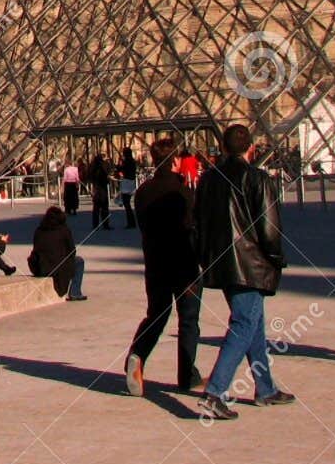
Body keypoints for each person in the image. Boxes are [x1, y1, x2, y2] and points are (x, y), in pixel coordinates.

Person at [195, 124, 294, 419]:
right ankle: (215, 392)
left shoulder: (208, 180)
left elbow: (198, 222)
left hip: (222, 262)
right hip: (250, 263)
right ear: (251, 148)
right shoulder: (257, 178)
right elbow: (269, 227)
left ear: (223, 148)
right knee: (243, 324)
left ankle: (265, 389)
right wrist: (276, 258)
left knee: (254, 324)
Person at [124, 137, 202, 396]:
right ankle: (187, 375)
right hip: (184, 264)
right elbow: (192, 227)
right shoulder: (183, 192)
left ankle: (137, 355)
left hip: (155, 263)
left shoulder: (143, 192)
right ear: (176, 161)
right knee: (188, 320)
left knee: (156, 314)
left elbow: (144, 227)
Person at [29, 206, 86, 300]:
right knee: (79, 261)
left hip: (42, 267)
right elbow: (72, 250)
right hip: (59, 267)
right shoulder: (64, 230)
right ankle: (75, 292)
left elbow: (36, 248)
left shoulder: (39, 230)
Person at [88, 153, 113, 229]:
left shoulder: (93, 166)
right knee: (104, 207)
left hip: (96, 188)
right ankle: (106, 225)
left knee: (96, 208)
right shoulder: (105, 164)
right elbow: (108, 174)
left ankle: (95, 225)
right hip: (103, 188)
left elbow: (90, 175)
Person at [118, 148, 139, 229]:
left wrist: (119, 165)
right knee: (127, 203)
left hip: (126, 181)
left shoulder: (126, 162)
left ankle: (131, 222)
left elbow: (121, 169)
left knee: (126, 204)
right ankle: (132, 221)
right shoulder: (132, 161)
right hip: (131, 181)